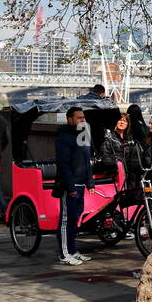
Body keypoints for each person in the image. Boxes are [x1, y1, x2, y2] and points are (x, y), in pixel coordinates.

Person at [54, 107, 93, 265]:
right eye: (79, 118)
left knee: (74, 219)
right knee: (65, 220)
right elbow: (63, 165)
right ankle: (64, 254)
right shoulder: (63, 138)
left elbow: (87, 160)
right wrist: (70, 188)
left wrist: (90, 182)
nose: (82, 120)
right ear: (69, 119)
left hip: (81, 184)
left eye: (83, 118)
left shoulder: (83, 135)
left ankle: (73, 250)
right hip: (69, 186)